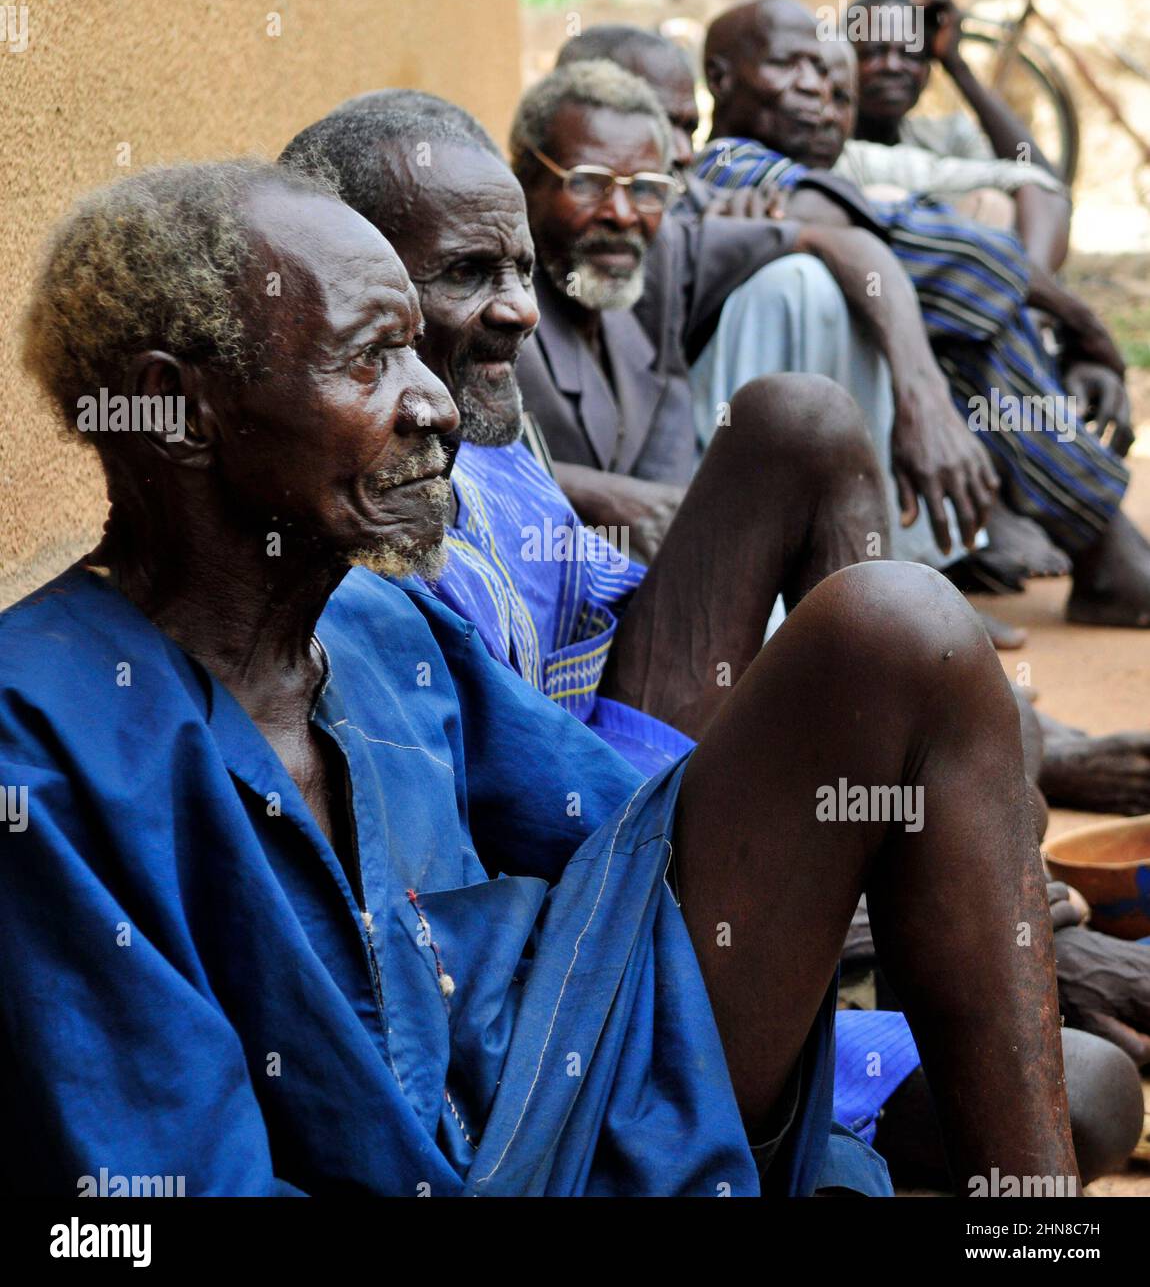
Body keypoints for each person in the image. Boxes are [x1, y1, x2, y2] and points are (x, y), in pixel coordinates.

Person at [2, 158, 1079, 1197]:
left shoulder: (381, 625)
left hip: (559, 1090)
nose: (435, 406)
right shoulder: (40, 741)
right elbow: (163, 1160)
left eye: (419, 354)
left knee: (896, 629)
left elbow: (630, 843)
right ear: (174, 408)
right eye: (370, 361)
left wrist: (918, 855)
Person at [282, 98, 1146, 1180]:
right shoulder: (343, 575)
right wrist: (839, 888)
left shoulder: (480, 425)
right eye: (467, 276)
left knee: (802, 426)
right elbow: (458, 927)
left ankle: (942, 908)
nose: (519, 313)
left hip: (611, 818)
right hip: (574, 977)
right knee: (900, 628)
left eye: (517, 274)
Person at [696, 0, 1150, 631]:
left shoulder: (827, 166)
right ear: (721, 78)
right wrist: (1083, 325)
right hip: (719, 463)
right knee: (901, 277)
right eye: (788, 66)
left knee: (943, 301)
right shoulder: (723, 166)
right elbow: (911, 241)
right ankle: (1097, 545)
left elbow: (1017, 192)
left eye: (831, 81)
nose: (817, 92)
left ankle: (1050, 553)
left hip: (792, 451)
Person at [510, 58, 998, 567]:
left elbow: (843, 242)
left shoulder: (661, 250)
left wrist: (924, 393)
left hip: (679, 566)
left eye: (647, 189)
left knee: (812, 292)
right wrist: (616, 500)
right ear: (523, 176)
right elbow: (459, 459)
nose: (622, 212)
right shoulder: (495, 296)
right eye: (588, 183)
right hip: (571, 596)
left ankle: (901, 579)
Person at [848, 0, 1072, 272]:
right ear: (843, 60)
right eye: (874, 52)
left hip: (958, 300)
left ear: (928, 70)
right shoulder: (821, 146)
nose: (893, 66)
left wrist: (956, 65)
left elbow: (1045, 188)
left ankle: (1027, 295)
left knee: (996, 205)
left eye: (912, 54)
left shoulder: (948, 136)